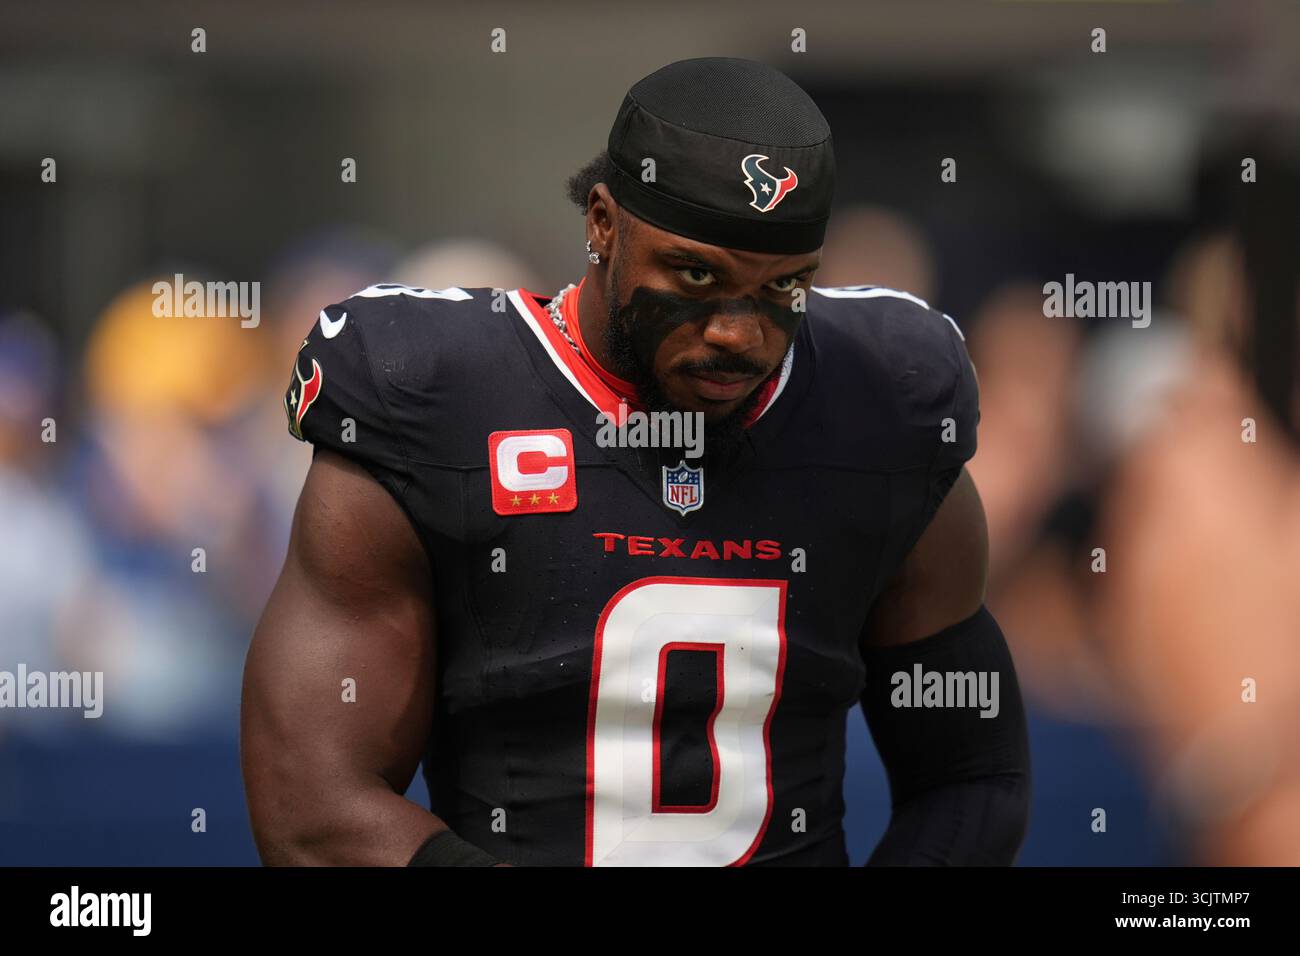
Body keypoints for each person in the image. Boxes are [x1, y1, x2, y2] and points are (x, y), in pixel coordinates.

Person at [241, 57, 1030, 866]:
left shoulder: (882, 403)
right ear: (604, 224)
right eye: (696, 275)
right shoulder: (433, 396)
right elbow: (312, 806)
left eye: (783, 287)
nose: (740, 333)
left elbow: (972, 777)